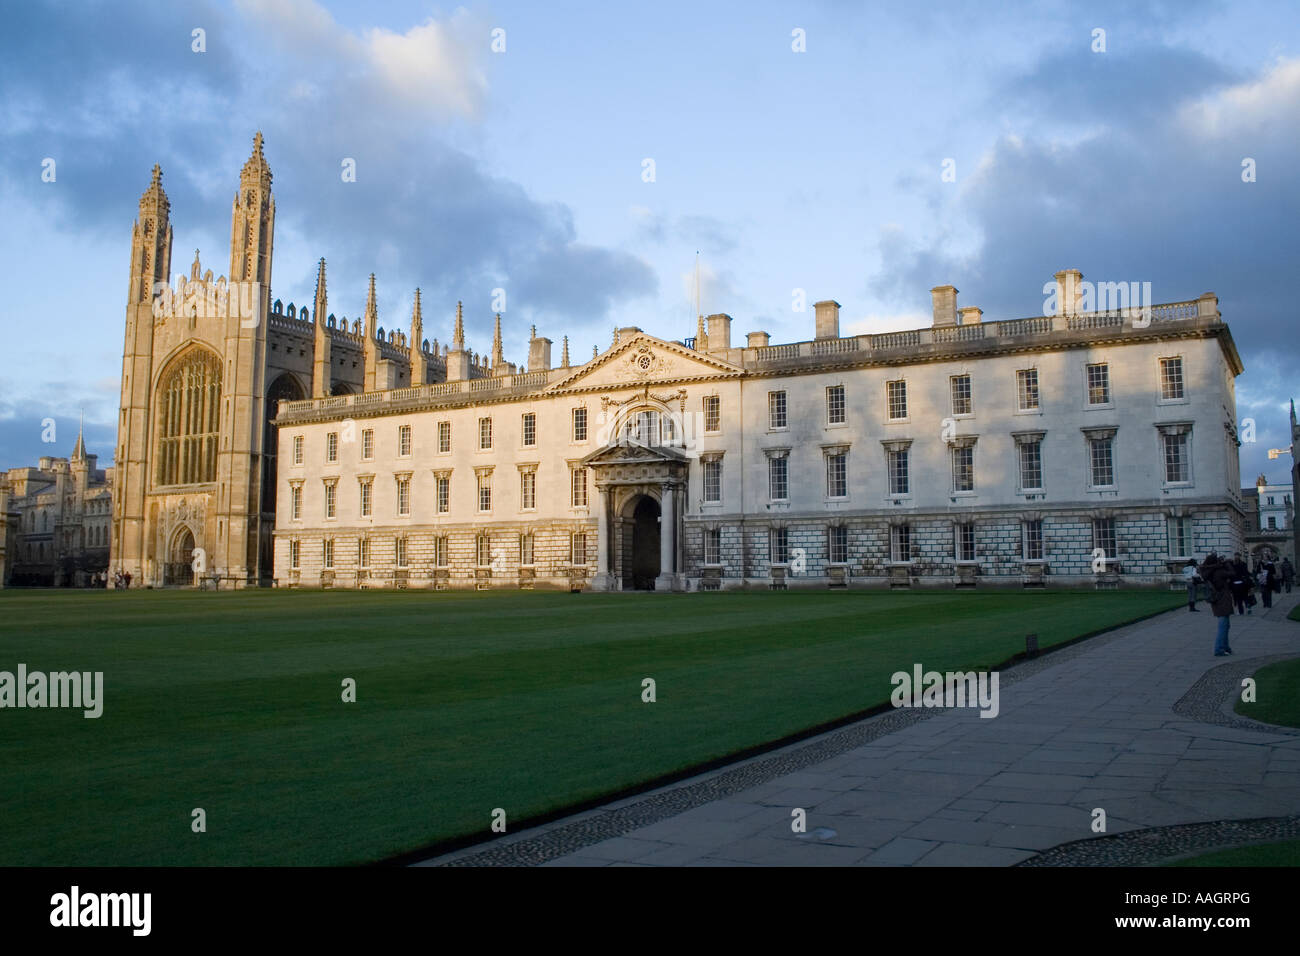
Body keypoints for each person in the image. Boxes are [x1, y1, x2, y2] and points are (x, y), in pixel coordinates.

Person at [1199, 552, 1234, 656]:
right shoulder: (1218, 572)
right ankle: (1219, 649)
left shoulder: (1209, 572)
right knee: (1223, 625)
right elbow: (1232, 573)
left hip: (1216, 599)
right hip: (1223, 598)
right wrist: (1226, 563)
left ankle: (1226, 647)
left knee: (1226, 624)